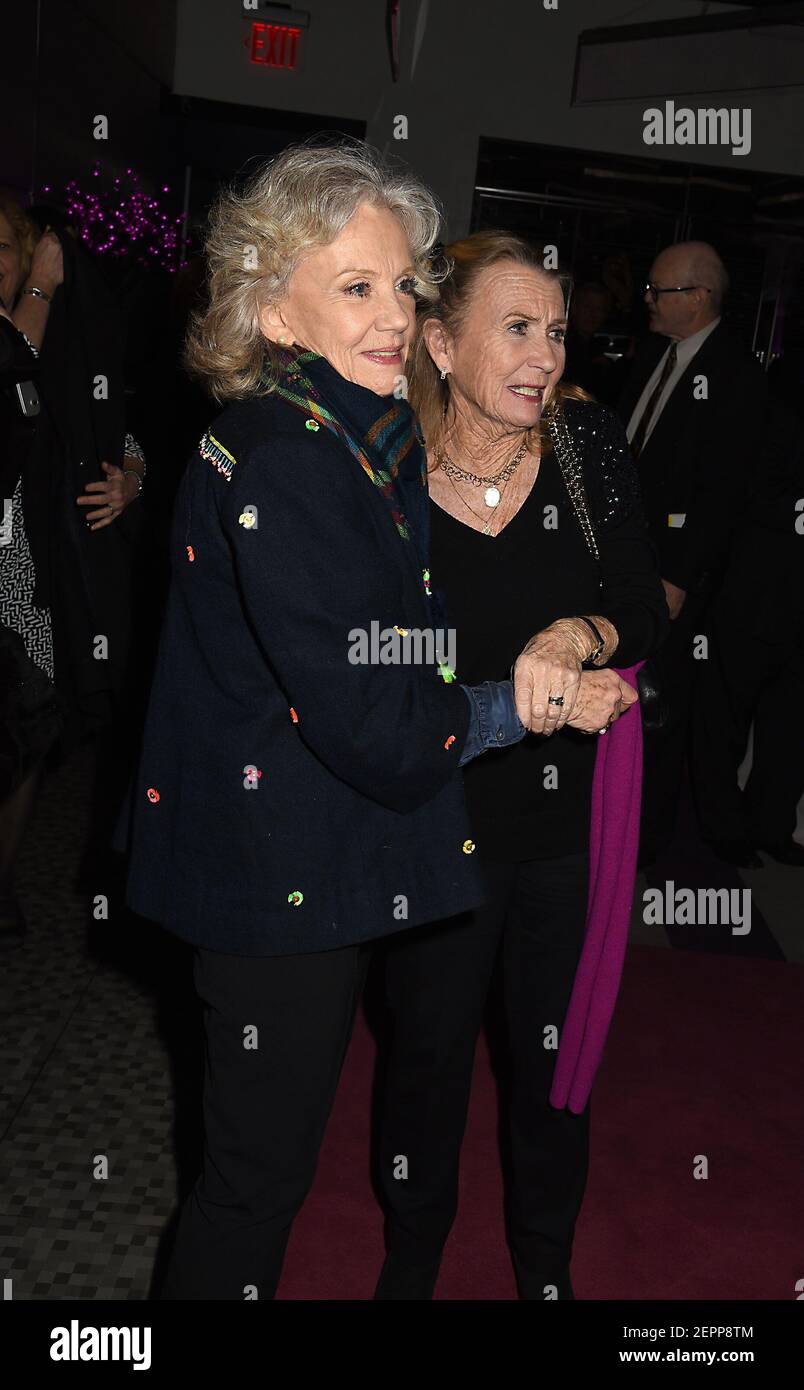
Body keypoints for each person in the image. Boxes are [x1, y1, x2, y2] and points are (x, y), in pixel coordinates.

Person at [117, 140, 552, 1301]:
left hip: (292, 858)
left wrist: (446, 669)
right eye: (355, 287)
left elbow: (382, 636)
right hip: (273, 884)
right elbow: (371, 715)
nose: (394, 315)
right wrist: (513, 702)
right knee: (253, 1187)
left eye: (401, 285)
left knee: (258, 1172)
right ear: (273, 310)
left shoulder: (340, 432)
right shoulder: (290, 458)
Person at [373, 231, 668, 1301]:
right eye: (517, 329)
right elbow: (377, 660)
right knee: (425, 1058)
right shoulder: (390, 470)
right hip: (434, 828)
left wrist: (575, 636)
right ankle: (412, 1257)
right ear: (443, 346)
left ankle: (547, 1267)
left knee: (555, 1071)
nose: (546, 353)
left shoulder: (589, 452)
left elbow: (645, 606)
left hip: (565, 839)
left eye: (553, 328)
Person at [0, 198, 145, 939]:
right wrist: (40, 294)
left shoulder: (67, 329)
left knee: (28, 731)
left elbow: (126, 426)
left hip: (30, 578)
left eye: (4, 247)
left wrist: (131, 476)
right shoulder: (26, 323)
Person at [617, 241, 767, 864]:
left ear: (700, 298)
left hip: (677, 576)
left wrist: (679, 577)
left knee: (662, 707)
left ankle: (642, 842)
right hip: (627, 559)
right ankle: (613, 817)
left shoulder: (734, 374)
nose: (648, 300)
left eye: (661, 291)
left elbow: (721, 493)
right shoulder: (654, 353)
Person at [690, 399, 804, 866]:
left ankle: (771, 826)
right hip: (758, 593)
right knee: (727, 717)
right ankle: (723, 828)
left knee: (792, 725)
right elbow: (744, 484)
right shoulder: (780, 405)